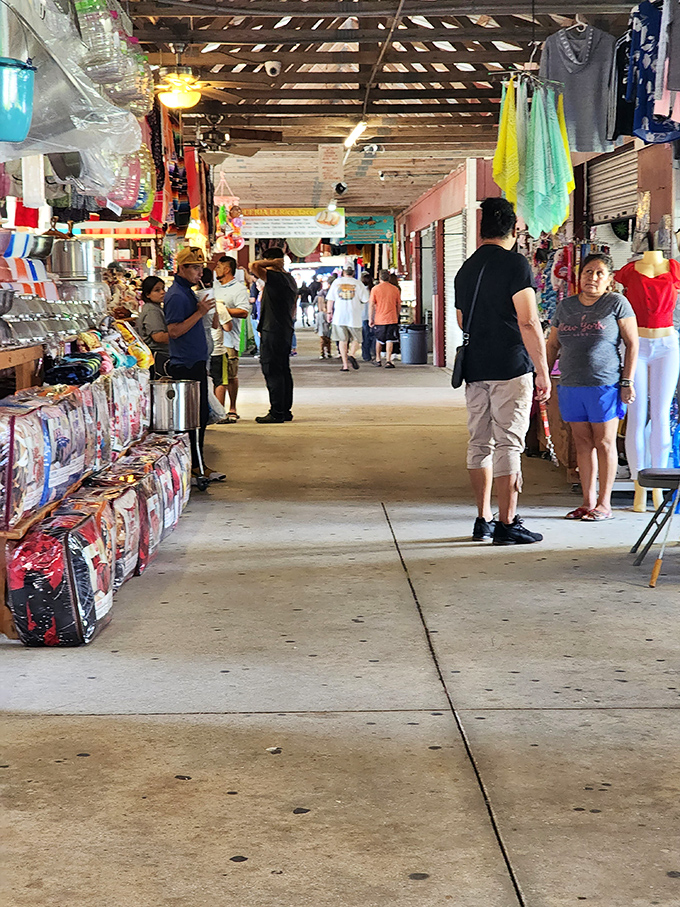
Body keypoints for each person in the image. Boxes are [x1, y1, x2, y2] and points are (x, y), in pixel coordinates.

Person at [454, 197, 551, 545]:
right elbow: (527, 320)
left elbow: (462, 320)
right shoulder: (516, 265)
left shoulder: (465, 269)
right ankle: (508, 524)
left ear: (482, 229)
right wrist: (542, 369)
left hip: (474, 367)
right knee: (508, 443)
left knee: (479, 442)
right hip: (510, 367)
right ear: (514, 228)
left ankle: (483, 520)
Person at [546, 252, 638, 521]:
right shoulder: (566, 307)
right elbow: (553, 345)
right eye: (588, 272)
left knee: (605, 442)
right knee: (582, 443)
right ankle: (587, 503)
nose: (593, 278)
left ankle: (604, 504)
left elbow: (632, 344)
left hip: (604, 384)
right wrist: (540, 376)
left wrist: (627, 382)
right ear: (579, 276)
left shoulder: (616, 303)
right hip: (571, 383)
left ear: (609, 280)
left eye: (600, 273)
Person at [164, 246, 225, 482]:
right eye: (196, 268)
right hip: (186, 365)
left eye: (201, 268)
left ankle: (198, 464)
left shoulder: (189, 291)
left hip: (196, 362)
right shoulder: (178, 296)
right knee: (192, 421)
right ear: (182, 268)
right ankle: (194, 466)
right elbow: (174, 331)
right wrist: (199, 313)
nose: (200, 273)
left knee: (198, 419)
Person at [250, 247, 298, 423]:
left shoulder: (276, 277)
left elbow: (253, 265)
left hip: (273, 330)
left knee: (272, 370)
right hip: (284, 328)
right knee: (283, 370)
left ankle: (277, 411)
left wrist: (272, 264)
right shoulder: (290, 279)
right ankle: (285, 410)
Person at [213, 255, 252, 422]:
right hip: (214, 339)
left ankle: (232, 408)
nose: (216, 269)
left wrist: (222, 309)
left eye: (219, 267)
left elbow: (244, 311)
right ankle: (216, 410)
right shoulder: (214, 286)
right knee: (217, 376)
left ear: (227, 269)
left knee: (230, 375)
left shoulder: (239, 289)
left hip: (229, 338)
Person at [326, 265, 369, 372]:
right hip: (354, 315)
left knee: (342, 340)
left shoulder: (336, 283)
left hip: (339, 316)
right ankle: (352, 354)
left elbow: (330, 300)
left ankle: (345, 365)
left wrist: (329, 313)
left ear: (343, 272)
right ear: (353, 273)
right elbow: (365, 299)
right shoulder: (358, 283)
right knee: (357, 339)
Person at [137, 276, 169, 379]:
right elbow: (158, 337)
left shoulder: (155, 308)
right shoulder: (152, 311)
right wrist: (180, 335)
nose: (162, 292)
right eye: (157, 290)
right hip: (159, 357)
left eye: (163, 289)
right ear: (148, 294)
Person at [369, 269, 401, 368]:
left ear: (379, 278)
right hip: (392, 318)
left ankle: (378, 359)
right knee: (390, 340)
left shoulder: (375, 289)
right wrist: (397, 315)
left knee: (379, 340)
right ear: (389, 277)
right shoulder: (395, 289)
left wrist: (371, 318)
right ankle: (388, 360)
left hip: (379, 319)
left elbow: (371, 305)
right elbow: (398, 305)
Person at [360, 272, 375, 362]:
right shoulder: (373, 290)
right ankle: (374, 352)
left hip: (363, 316)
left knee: (365, 337)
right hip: (374, 316)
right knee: (374, 336)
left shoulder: (360, 290)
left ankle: (366, 355)